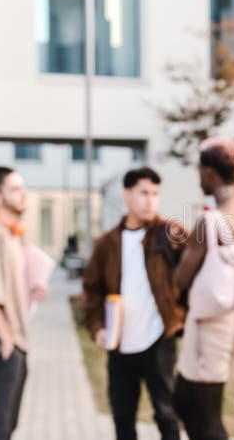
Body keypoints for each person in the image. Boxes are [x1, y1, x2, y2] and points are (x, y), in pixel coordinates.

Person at [82, 166, 188, 440]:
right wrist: (97, 329)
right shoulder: (107, 243)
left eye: (155, 194)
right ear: (127, 195)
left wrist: (181, 318)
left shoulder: (171, 234)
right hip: (120, 346)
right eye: (144, 193)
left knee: (166, 414)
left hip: (158, 341)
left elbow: (194, 274)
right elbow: (92, 290)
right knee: (123, 417)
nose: (150, 200)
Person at [172, 137, 234, 440]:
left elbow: (181, 279)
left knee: (207, 415)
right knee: (183, 399)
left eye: (200, 170)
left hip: (210, 325)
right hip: (231, 318)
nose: (198, 177)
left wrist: (181, 253)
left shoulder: (209, 221)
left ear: (210, 171)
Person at [0, 166, 49, 440]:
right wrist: (7, 343)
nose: (23, 194)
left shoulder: (10, 234)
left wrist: (32, 289)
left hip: (16, 342)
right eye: (15, 189)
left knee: (6, 425)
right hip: (4, 345)